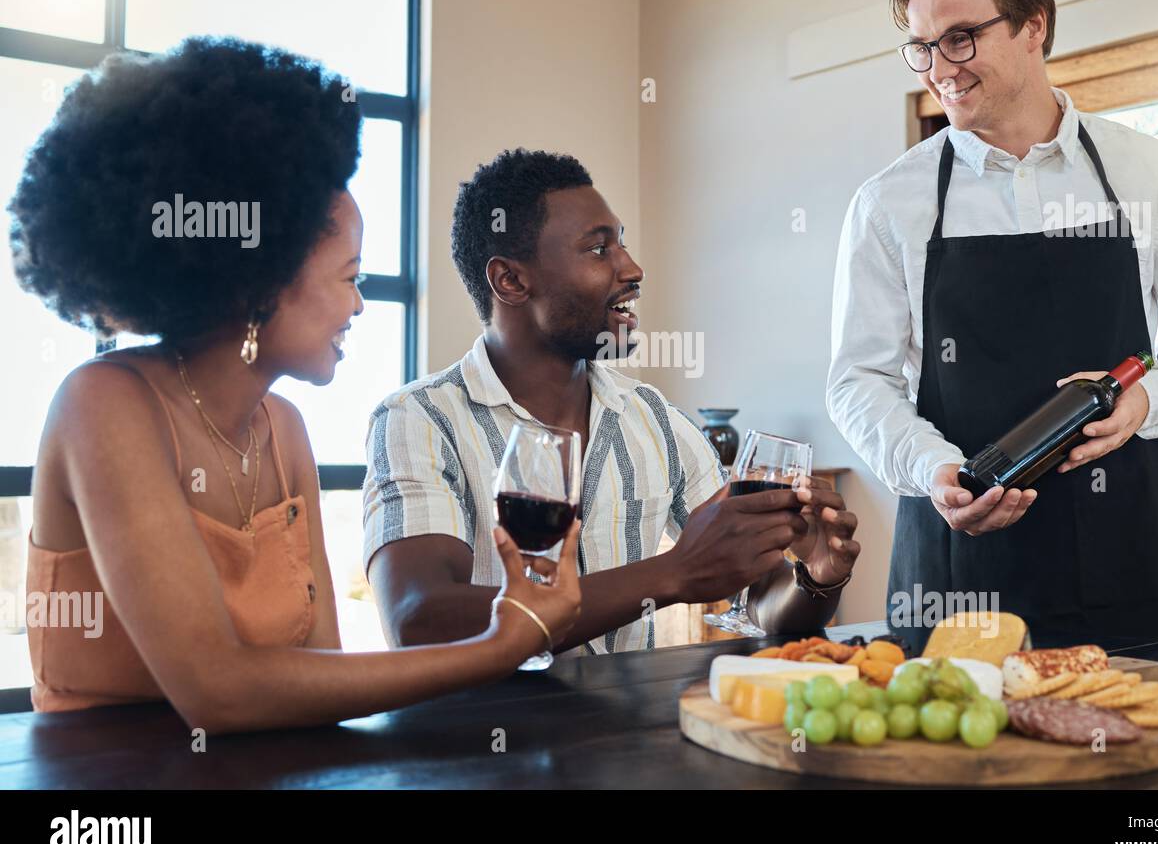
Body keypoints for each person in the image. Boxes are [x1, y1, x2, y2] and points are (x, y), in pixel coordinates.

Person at [10, 37, 580, 731]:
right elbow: (218, 691)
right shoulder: (104, 404)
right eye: (351, 277)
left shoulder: (283, 430)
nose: (360, 305)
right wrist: (500, 644)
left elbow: (320, 675)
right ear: (262, 279)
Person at [826, 0, 1158, 642]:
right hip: (960, 559)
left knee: (1140, 743)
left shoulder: (1147, 171)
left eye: (962, 38)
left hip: (1128, 547)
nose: (939, 68)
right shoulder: (889, 203)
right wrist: (934, 468)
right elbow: (858, 379)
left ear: (1035, 26)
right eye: (922, 45)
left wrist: (1151, 395)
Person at [363, 148, 861, 654]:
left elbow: (764, 603)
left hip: (626, 730)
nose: (633, 268)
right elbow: (420, 619)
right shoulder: (420, 420)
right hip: (478, 732)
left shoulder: (655, 420)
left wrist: (816, 578)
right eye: (599, 250)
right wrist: (672, 574)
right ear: (511, 280)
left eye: (621, 244)